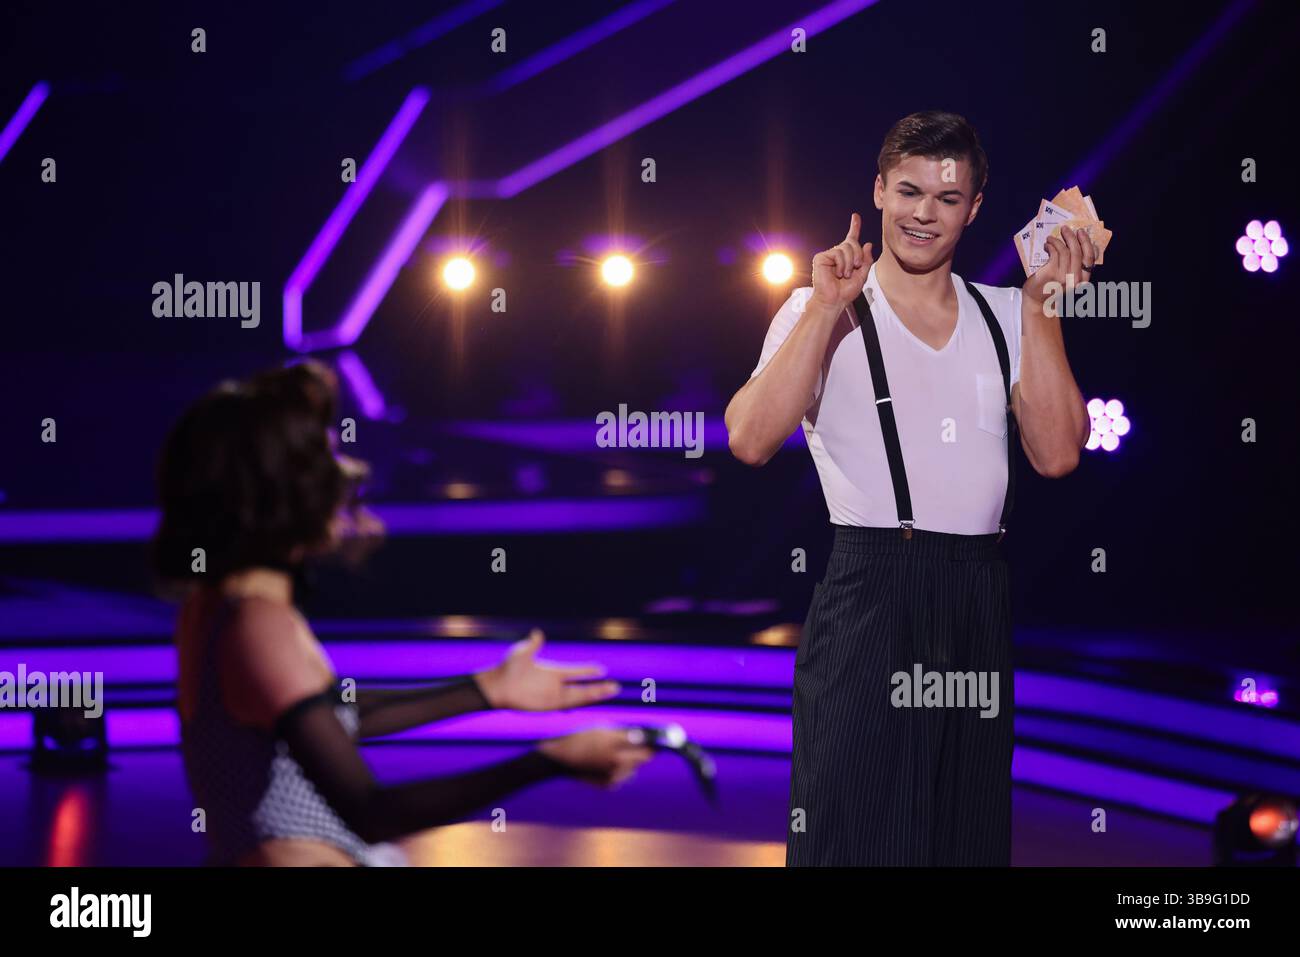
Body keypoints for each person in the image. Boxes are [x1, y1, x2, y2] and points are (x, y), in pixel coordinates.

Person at [725, 111, 1092, 865]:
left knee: (964, 837)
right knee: (853, 836)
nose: (925, 212)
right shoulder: (820, 306)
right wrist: (826, 306)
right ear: (879, 191)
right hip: (871, 597)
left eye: (948, 198)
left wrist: (1043, 305)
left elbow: (1057, 455)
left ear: (975, 206)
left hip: (977, 599)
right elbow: (750, 439)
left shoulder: (1006, 313)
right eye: (909, 191)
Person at [155, 361, 652, 866]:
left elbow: (328, 717)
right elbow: (372, 813)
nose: (344, 476)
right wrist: (549, 761)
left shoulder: (220, 604)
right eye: (323, 460)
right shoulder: (258, 625)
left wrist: (487, 690)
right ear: (282, 489)